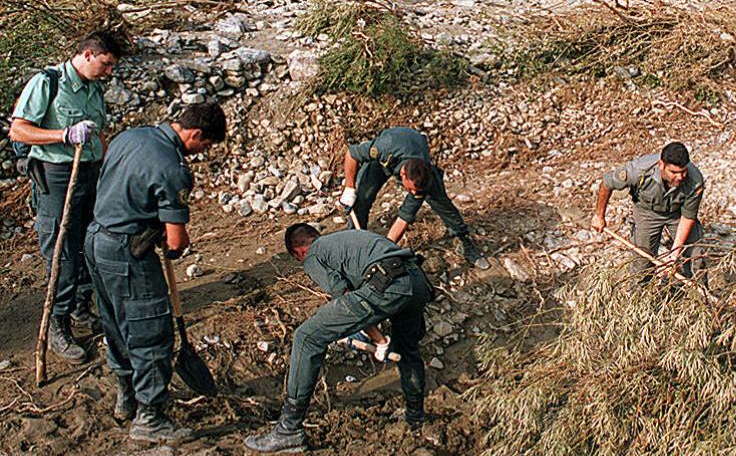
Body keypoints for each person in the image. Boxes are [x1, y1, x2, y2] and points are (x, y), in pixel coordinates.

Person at [84, 102, 226, 443]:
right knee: (151, 333)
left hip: (95, 241)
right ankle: (150, 418)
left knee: (115, 322)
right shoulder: (172, 166)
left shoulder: (131, 136)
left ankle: (127, 395)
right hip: (128, 253)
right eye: (204, 146)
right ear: (195, 134)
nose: (200, 153)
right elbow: (176, 241)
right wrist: (173, 238)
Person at [245, 224, 433, 453]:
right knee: (406, 350)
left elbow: (344, 296)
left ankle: (288, 430)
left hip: (387, 283)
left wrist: (379, 340)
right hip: (416, 281)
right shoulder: (347, 239)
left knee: (306, 338)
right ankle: (416, 417)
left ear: (299, 252)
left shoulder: (314, 254)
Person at [8, 30, 124, 363]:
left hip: (89, 173)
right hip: (56, 177)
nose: (109, 72)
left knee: (89, 244)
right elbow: (19, 130)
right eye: (105, 64)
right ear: (88, 55)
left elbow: (98, 133)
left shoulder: (93, 88)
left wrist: (107, 164)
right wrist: (64, 134)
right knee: (62, 251)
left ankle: (81, 309)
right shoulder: (48, 83)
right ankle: (58, 324)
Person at [340, 126, 489, 269]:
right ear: (403, 175)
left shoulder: (423, 179)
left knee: (442, 204)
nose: (412, 193)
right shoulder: (384, 148)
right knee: (361, 199)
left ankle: (464, 239)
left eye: (415, 191)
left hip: (415, 153)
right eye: (409, 189)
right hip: (387, 155)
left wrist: (385, 251)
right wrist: (349, 187)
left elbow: (404, 218)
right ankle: (356, 243)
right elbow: (351, 154)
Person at [591, 141, 706, 281]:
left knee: (695, 254)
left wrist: (674, 253)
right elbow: (607, 184)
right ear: (661, 165)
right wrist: (599, 215)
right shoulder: (638, 171)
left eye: (683, 172)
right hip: (646, 212)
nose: (680, 177)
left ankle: (695, 294)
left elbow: (688, 217)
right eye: (674, 172)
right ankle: (640, 295)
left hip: (677, 213)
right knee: (642, 262)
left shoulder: (695, 180)